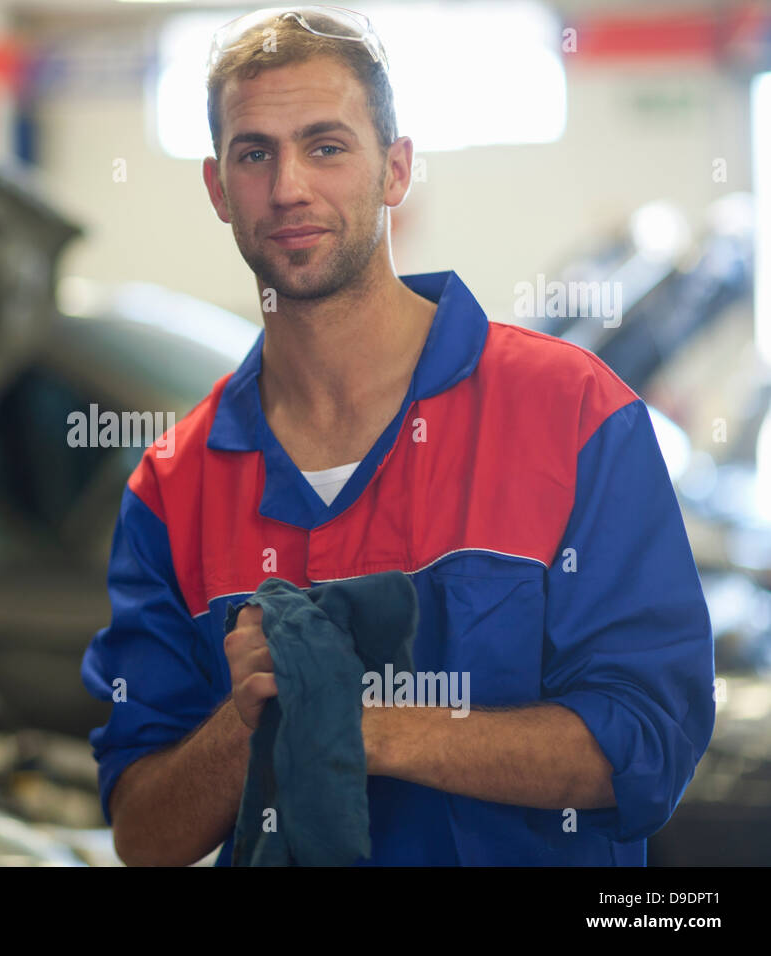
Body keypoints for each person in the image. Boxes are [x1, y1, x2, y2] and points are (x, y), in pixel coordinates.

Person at [80, 5, 715, 866]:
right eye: (254, 152)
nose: (289, 186)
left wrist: (363, 726)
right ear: (218, 186)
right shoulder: (172, 486)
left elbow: (649, 743)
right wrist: (247, 720)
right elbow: (143, 835)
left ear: (395, 169)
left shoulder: (572, 414)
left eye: (327, 145)